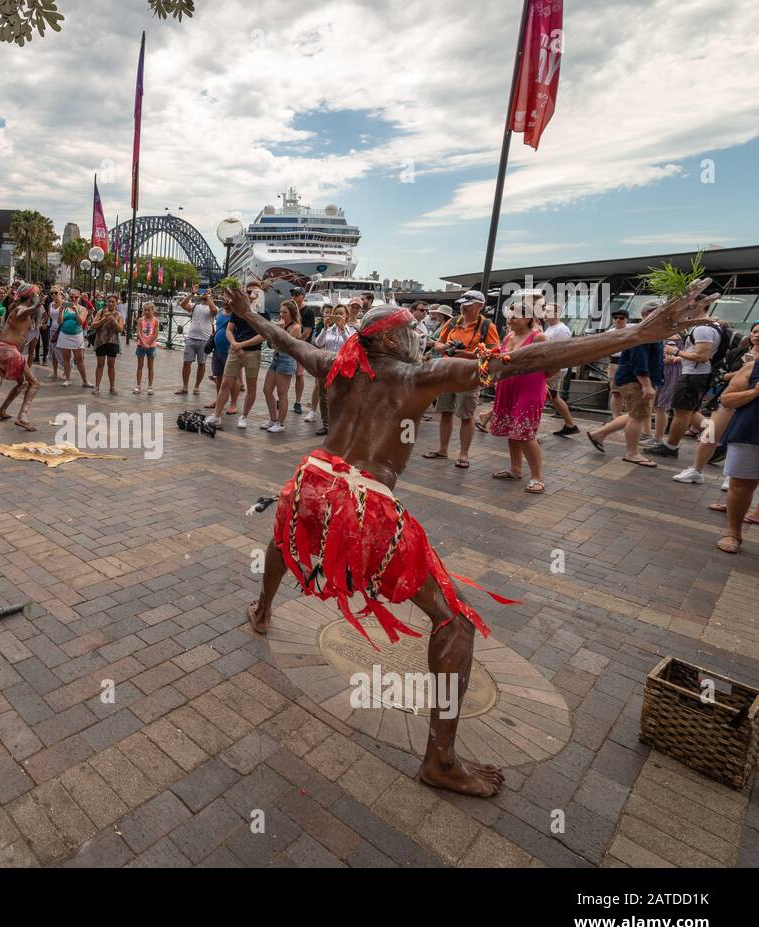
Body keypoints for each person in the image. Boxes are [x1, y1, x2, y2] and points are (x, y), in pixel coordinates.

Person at [233, 279, 717, 797]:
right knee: (454, 622)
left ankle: (261, 610)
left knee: (288, 533)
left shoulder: (335, 367)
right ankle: (439, 760)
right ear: (392, 342)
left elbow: (284, 341)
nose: (421, 338)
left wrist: (248, 312)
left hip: (314, 479)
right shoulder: (419, 375)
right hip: (362, 502)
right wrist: (636, 335)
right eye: (412, 332)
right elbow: (519, 363)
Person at [675, 320, 759, 485]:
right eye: (755, 332)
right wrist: (741, 372)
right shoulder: (737, 352)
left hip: (752, 404)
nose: (757, 336)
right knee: (710, 433)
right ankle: (696, 470)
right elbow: (721, 373)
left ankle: (732, 477)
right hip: (728, 398)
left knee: (738, 440)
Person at [423, 289, 498, 469]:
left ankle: (464, 454)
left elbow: (493, 352)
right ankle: (443, 449)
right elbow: (438, 343)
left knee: (466, 415)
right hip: (448, 373)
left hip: (469, 376)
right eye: (462, 305)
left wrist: (469, 354)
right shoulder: (453, 322)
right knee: (446, 411)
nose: (463, 308)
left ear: (479, 306)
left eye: (468, 305)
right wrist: (446, 347)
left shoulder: (487, 326)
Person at [586, 311, 665, 468]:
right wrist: (646, 385)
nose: (618, 320)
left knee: (633, 415)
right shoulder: (644, 333)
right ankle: (632, 453)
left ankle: (598, 434)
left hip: (635, 380)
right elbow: (639, 362)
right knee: (637, 417)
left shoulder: (647, 332)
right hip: (636, 381)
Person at [646, 298, 721, 458]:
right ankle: (717, 441)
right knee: (690, 412)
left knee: (681, 412)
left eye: (690, 306)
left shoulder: (703, 329)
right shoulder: (707, 327)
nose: (686, 309)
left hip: (693, 375)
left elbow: (702, 356)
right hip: (696, 375)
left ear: (701, 306)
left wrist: (677, 353)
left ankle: (671, 447)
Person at [486, 308, 548, 492]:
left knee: (525, 432)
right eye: (509, 316)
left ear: (528, 317)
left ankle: (537, 477)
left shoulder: (538, 337)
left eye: (515, 316)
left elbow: (550, 363)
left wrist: (543, 383)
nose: (510, 319)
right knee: (512, 429)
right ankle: (515, 468)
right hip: (507, 386)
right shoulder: (508, 337)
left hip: (530, 387)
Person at [714, 350, 759, 554]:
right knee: (740, 484)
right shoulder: (753, 367)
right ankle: (733, 532)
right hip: (750, 432)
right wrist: (754, 392)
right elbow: (727, 399)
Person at [207, 281, 267, 430]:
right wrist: (234, 343)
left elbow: (263, 335)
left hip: (253, 352)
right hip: (235, 350)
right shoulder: (239, 311)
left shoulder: (263, 313)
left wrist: (241, 345)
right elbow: (229, 330)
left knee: (251, 386)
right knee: (225, 382)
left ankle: (244, 416)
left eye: (255, 292)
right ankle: (217, 415)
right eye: (248, 292)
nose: (251, 295)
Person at [0, 285, 42, 432]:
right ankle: (22, 417)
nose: (38, 297)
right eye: (36, 295)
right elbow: (21, 313)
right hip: (8, 351)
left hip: (3, 350)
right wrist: (35, 307)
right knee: (34, 384)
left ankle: (1, 410)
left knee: (22, 383)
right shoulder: (20, 309)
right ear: (31, 297)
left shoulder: (24, 311)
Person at [306, 304, 355, 436]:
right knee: (324, 396)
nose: (338, 316)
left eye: (341, 314)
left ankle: (340, 425)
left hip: (341, 367)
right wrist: (325, 328)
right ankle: (326, 425)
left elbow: (350, 346)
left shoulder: (350, 330)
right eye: (336, 313)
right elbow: (319, 343)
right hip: (326, 366)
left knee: (340, 396)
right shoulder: (329, 329)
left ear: (346, 316)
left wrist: (342, 329)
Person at [260, 301, 302, 433]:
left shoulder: (295, 327)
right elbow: (272, 344)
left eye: (285, 312)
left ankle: (280, 423)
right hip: (276, 358)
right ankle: (273, 419)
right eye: (281, 312)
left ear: (292, 313)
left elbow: (283, 344)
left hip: (287, 360)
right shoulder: (282, 325)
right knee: (267, 390)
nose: (281, 314)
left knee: (282, 393)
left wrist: (276, 330)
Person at [541, 304, 581, 436]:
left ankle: (532, 425)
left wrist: (550, 370)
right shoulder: (552, 328)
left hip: (554, 368)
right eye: (544, 311)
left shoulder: (561, 330)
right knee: (553, 396)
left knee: (542, 394)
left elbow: (559, 353)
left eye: (548, 311)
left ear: (557, 312)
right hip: (552, 368)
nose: (545, 313)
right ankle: (570, 424)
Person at [175, 288, 214, 397]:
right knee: (186, 363)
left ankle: (197, 387)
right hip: (191, 338)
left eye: (208, 292)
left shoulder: (213, 307)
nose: (205, 294)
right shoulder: (195, 306)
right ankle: (185, 387)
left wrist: (209, 298)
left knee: (202, 364)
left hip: (205, 340)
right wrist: (192, 294)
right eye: (205, 293)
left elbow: (214, 311)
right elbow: (182, 304)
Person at [53, 289, 90, 387]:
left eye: (76, 297)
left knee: (79, 359)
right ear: (68, 297)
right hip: (64, 334)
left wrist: (75, 311)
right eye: (71, 297)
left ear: (79, 298)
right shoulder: (65, 307)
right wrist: (60, 312)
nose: (73, 299)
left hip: (76, 335)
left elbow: (80, 322)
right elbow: (59, 322)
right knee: (66, 358)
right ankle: (68, 379)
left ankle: (85, 381)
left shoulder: (82, 309)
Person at [90, 293, 124, 395]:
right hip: (101, 341)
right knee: (100, 364)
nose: (111, 303)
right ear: (106, 302)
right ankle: (97, 387)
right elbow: (93, 325)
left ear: (116, 303)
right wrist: (104, 319)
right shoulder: (101, 312)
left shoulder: (119, 315)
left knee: (111, 365)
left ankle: (112, 387)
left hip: (112, 342)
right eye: (109, 301)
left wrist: (114, 321)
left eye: (113, 301)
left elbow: (120, 329)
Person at [134, 300, 159, 395]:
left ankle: (150, 386)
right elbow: (139, 332)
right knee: (140, 366)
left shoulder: (156, 321)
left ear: (153, 310)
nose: (147, 312)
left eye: (149, 310)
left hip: (151, 346)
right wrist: (143, 343)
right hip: (141, 345)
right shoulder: (140, 320)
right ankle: (138, 385)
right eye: (145, 310)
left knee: (150, 366)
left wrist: (148, 343)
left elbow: (155, 334)